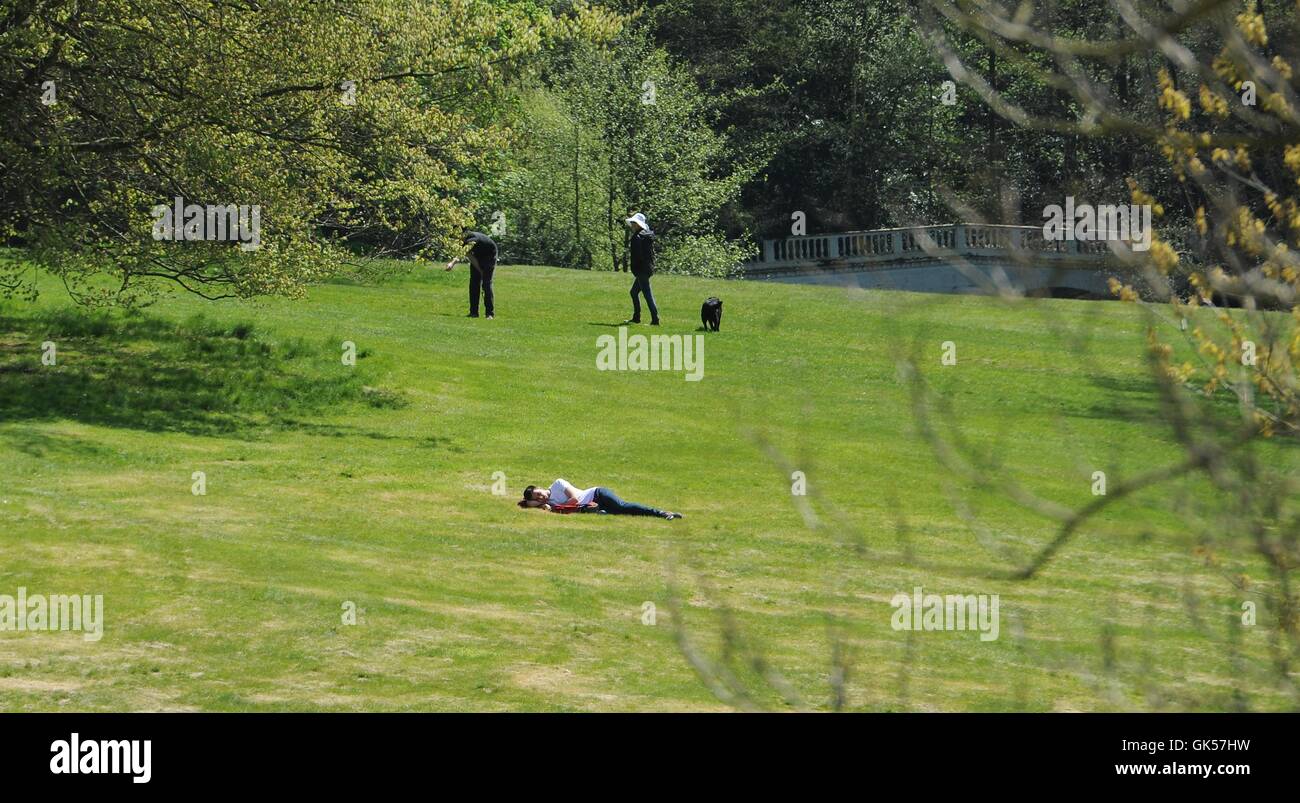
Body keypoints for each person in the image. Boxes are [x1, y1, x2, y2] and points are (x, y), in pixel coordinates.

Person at [520, 479, 682, 519]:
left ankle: (661, 513)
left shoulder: (557, 483)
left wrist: (554, 507)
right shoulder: (548, 504)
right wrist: (537, 503)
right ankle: (600, 511)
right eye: (537, 498)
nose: (540, 496)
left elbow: (575, 499)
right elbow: (524, 504)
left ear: (540, 487)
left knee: (623, 507)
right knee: (623, 515)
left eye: (538, 492)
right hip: (593, 505)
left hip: (598, 494)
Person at [445, 230, 497, 318]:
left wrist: (451, 264)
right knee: (474, 284)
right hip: (477, 256)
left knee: (486, 284)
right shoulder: (464, 241)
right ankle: (473, 313)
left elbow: (460, 255)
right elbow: (469, 255)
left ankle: (489, 314)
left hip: (489, 256)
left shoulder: (472, 240)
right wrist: (480, 270)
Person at [624, 212, 659, 326]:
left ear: (638, 225)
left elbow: (637, 256)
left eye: (634, 223)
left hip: (641, 269)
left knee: (647, 294)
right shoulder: (647, 235)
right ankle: (636, 317)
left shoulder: (637, 237)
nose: (632, 225)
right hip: (648, 268)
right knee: (634, 292)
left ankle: (655, 320)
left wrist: (636, 269)